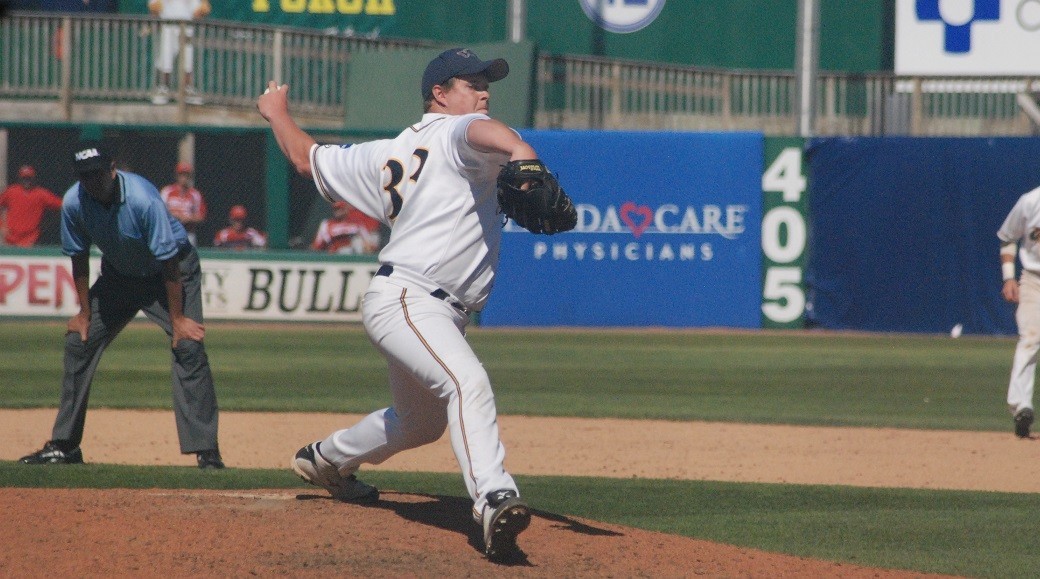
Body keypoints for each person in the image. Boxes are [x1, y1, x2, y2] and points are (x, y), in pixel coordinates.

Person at [257, 47, 538, 561]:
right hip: (412, 298)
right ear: (440, 94)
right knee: (466, 382)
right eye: (471, 82)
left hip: (412, 303)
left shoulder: (383, 153)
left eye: (486, 81)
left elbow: (305, 157)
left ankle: (325, 460)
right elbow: (482, 132)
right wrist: (521, 148)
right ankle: (493, 497)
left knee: (420, 424)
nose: (483, 91)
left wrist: (277, 114)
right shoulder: (458, 131)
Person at [19, 141, 223, 469]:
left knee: (188, 346)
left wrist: (179, 319)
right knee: (78, 341)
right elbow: (78, 256)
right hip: (120, 277)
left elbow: (169, 260)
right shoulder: (74, 202)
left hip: (169, 273)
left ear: (112, 170)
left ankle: (206, 452)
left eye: (98, 174)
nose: (92, 182)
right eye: (84, 176)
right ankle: (64, 446)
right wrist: (84, 314)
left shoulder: (142, 198)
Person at [999, 185, 1040, 439]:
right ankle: (1021, 407)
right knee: (1030, 339)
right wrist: (1009, 278)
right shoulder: (1030, 201)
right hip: (1035, 280)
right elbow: (1007, 236)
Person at [148, 0, 210, 105]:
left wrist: (202, 8)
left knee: (187, 59)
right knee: (165, 57)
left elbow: (199, 11)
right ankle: (162, 88)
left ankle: (187, 89)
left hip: (186, 27)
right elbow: (154, 8)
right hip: (167, 27)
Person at [0, 164, 64, 247]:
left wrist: (48, 223)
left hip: (30, 240)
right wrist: (2, 226)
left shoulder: (41, 194)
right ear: (19, 179)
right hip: (10, 239)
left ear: (34, 179)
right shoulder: (11, 191)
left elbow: (62, 205)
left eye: (29, 178)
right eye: (24, 178)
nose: (27, 181)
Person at [159, 161, 207, 246]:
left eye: (187, 175)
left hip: (187, 232)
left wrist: (188, 218)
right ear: (177, 176)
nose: (184, 177)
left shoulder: (195, 194)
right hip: (169, 232)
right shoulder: (167, 191)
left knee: (187, 257)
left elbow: (201, 216)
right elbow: (159, 211)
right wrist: (173, 216)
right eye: (181, 174)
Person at [311, 200, 381, 254]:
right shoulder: (326, 224)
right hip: (335, 254)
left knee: (357, 242)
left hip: (354, 253)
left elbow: (367, 242)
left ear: (346, 210)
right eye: (335, 209)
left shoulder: (356, 223)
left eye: (340, 209)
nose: (337, 211)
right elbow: (317, 245)